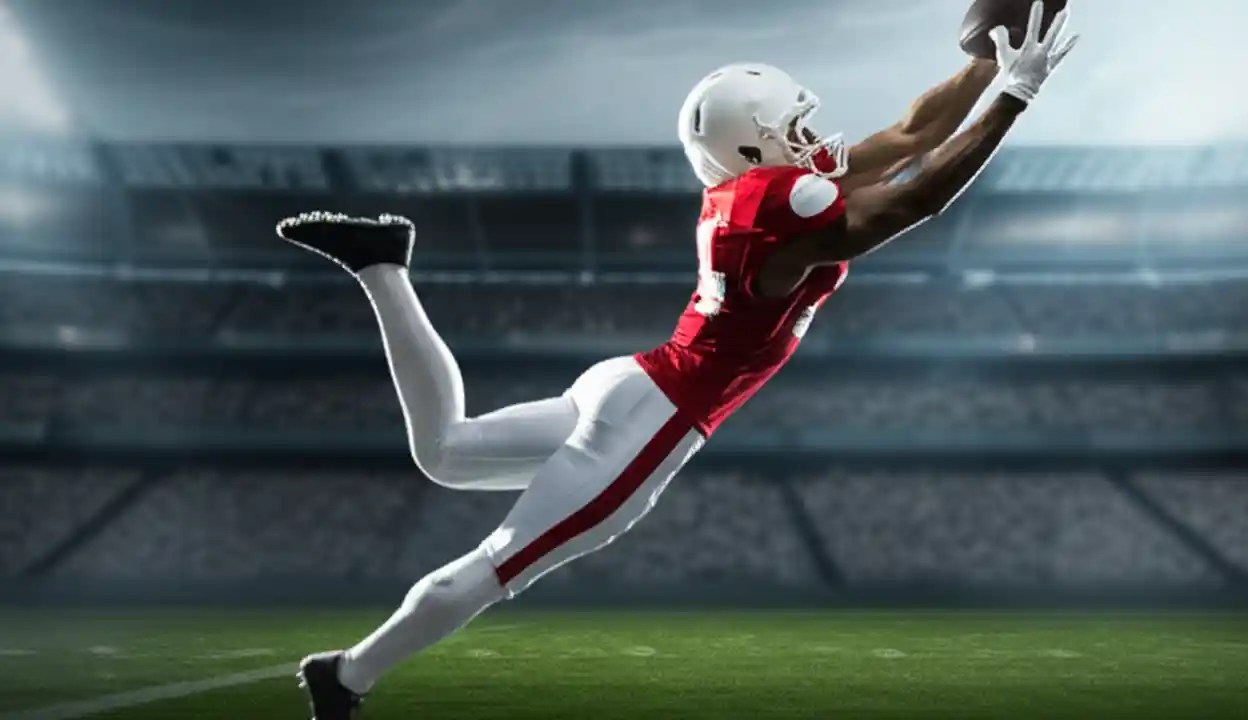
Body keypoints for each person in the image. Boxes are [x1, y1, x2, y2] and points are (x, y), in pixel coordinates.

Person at [281, 5, 1077, 717]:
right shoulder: (780, 205)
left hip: (634, 385)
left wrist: (989, 60)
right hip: (654, 414)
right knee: (497, 561)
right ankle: (346, 677)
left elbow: (908, 137)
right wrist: (1015, 97)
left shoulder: (756, 187)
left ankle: (381, 262)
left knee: (447, 450)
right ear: (752, 142)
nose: (811, 135)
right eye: (792, 123)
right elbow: (912, 198)